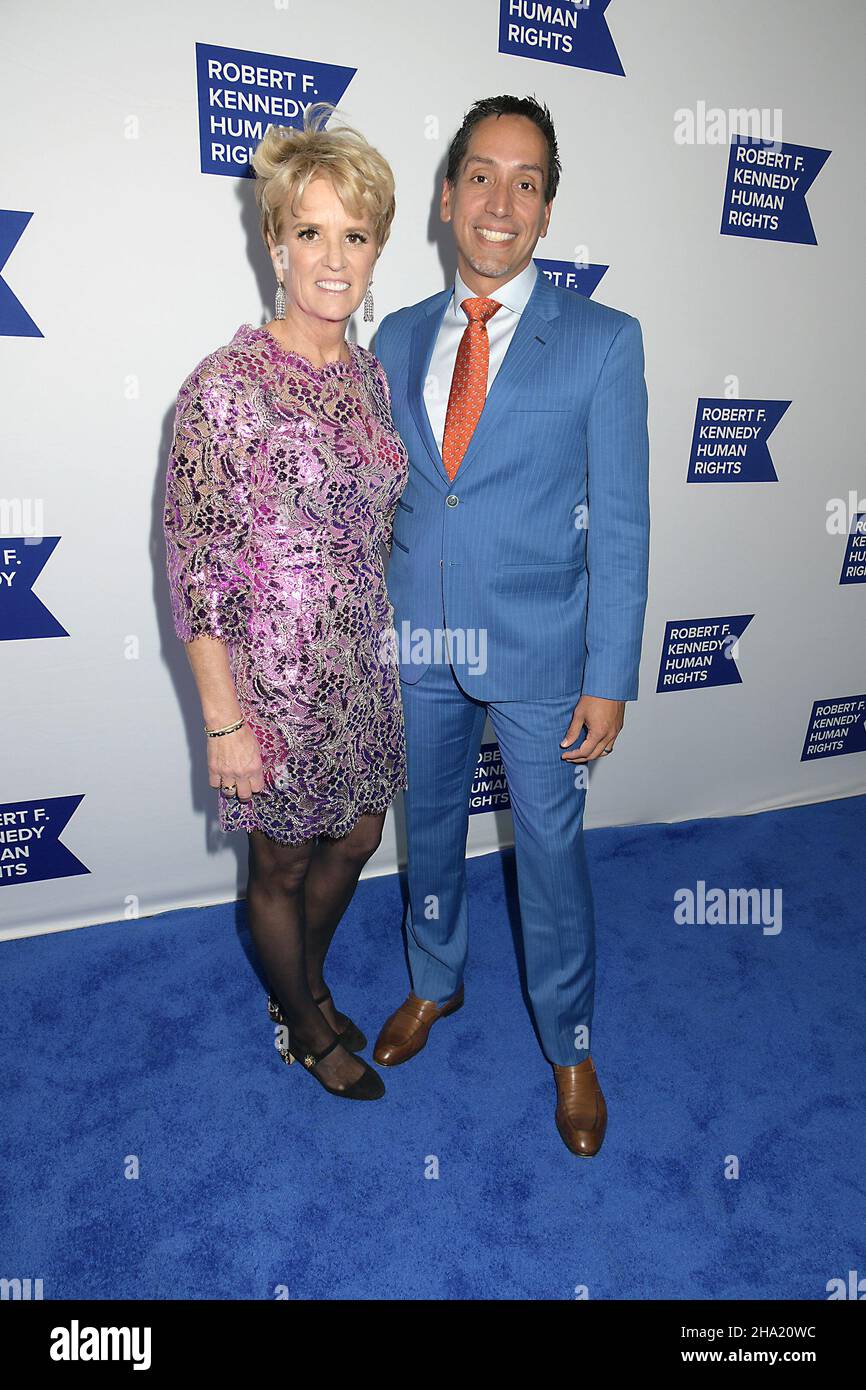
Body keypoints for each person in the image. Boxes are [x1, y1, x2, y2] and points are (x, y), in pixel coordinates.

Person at [373, 95, 650, 1155]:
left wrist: (609, 673)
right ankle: (432, 983)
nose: (501, 200)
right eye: (480, 175)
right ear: (446, 199)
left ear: (545, 209)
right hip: (420, 646)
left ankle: (569, 1043)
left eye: (526, 181)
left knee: (550, 855)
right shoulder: (394, 337)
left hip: (542, 652)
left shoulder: (600, 341)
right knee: (428, 832)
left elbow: (619, 525)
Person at [163, 103, 408, 1101]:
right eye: (311, 231)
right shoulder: (223, 386)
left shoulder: (370, 376)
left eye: (354, 234)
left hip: (362, 661)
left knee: (354, 838)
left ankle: (299, 978)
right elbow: (197, 564)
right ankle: (303, 1023)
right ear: (274, 241)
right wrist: (225, 722)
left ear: (377, 246)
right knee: (278, 864)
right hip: (272, 679)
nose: (334, 256)